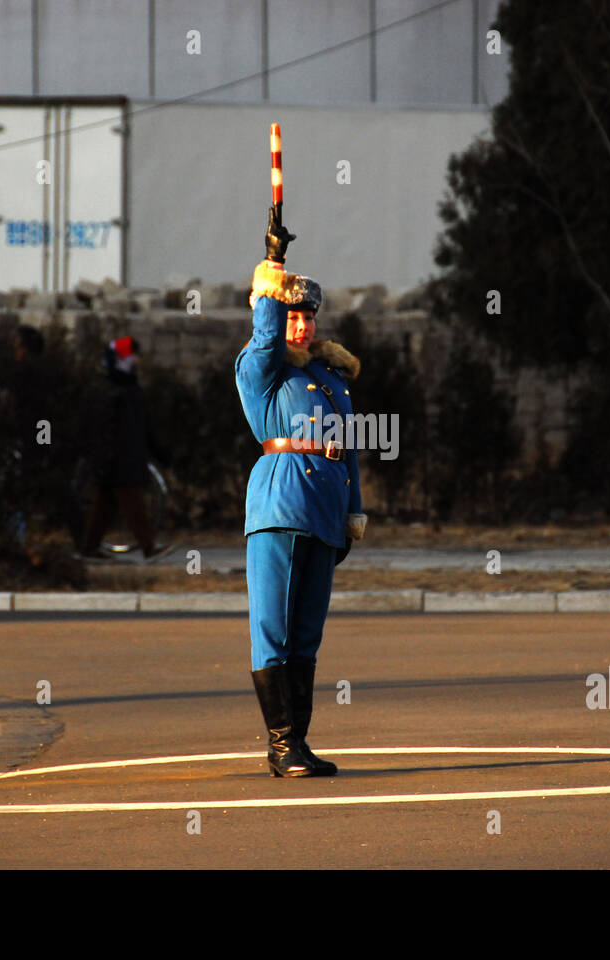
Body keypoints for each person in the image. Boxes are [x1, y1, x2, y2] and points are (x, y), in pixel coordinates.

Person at [235, 206, 366, 777]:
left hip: (323, 511)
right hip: (281, 504)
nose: (302, 327)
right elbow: (264, 335)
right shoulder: (263, 370)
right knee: (275, 626)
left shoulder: (333, 381)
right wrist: (272, 266)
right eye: (293, 316)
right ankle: (280, 744)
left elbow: (349, 451)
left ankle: (300, 741)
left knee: (307, 631)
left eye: (308, 317)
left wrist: (353, 511)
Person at [78, 335, 174, 563]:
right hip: (122, 462)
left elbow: (144, 428)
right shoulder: (116, 392)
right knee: (134, 507)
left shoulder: (127, 390)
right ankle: (149, 549)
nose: (137, 360)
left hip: (121, 461)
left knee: (104, 507)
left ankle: (89, 549)